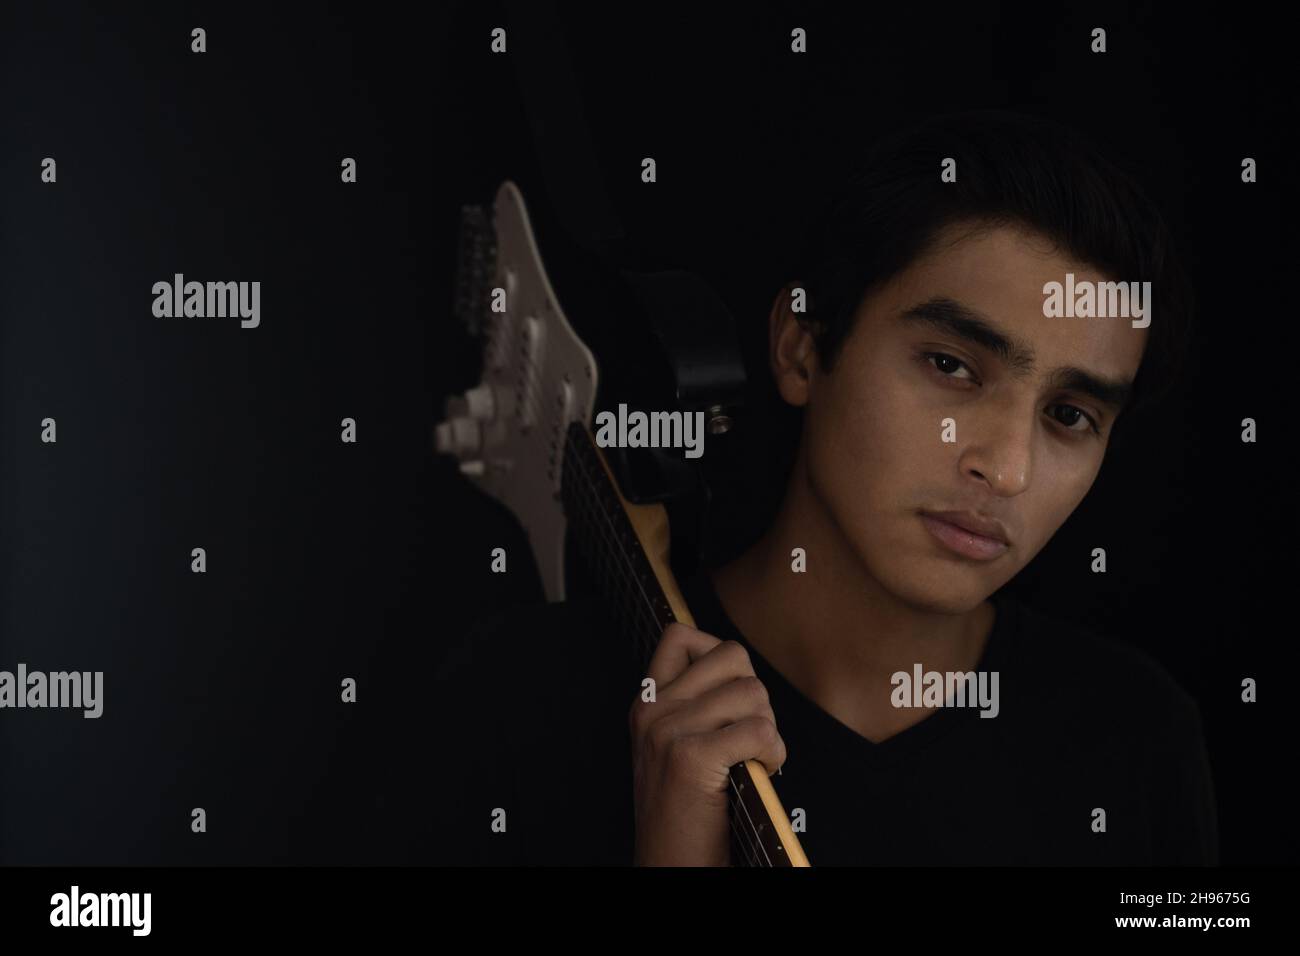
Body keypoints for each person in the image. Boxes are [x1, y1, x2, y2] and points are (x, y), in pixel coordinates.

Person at [428, 109, 1217, 866]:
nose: (1005, 469)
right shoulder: (520, 705)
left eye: (1070, 415)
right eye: (951, 365)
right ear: (802, 349)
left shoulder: (1136, 738)